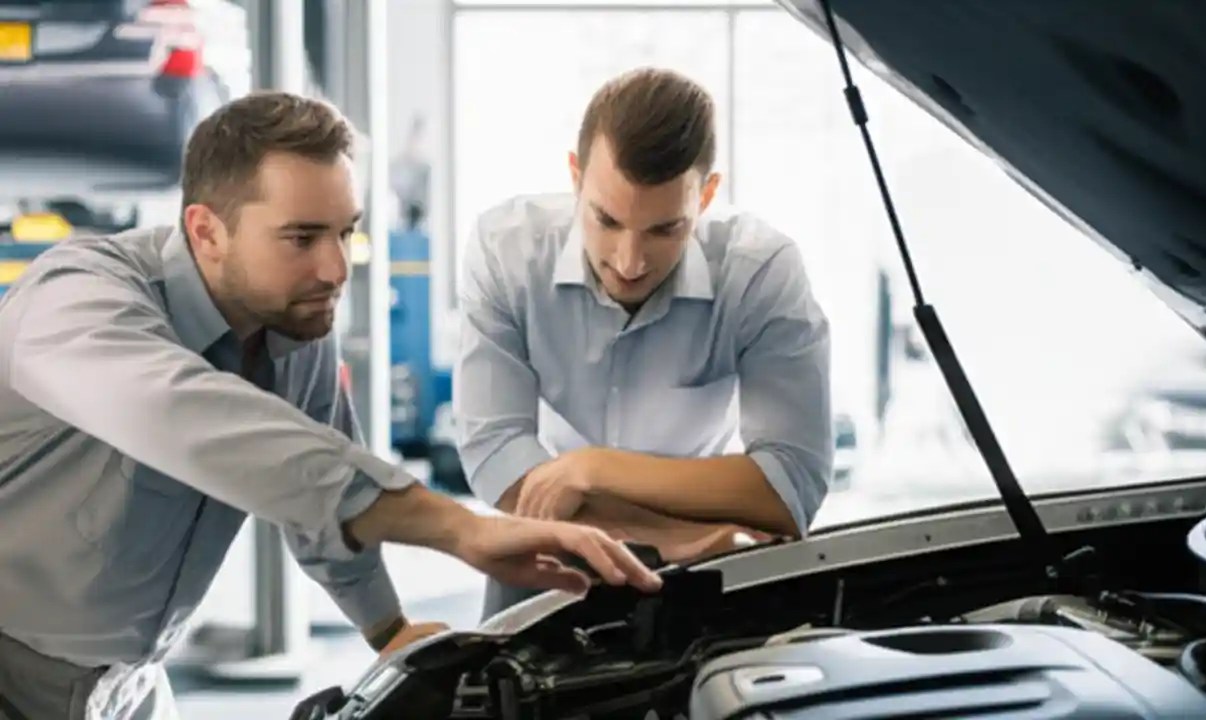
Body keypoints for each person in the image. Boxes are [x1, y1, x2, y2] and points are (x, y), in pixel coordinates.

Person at [0, 91, 661, 720]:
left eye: (347, 233)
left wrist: (388, 629)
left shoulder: (291, 327)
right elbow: (192, 419)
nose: (337, 268)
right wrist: (463, 528)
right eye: (302, 238)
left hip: (126, 683)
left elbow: (322, 497)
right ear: (206, 232)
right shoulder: (77, 300)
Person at [454, 67, 833, 618]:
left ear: (706, 195)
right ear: (575, 176)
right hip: (559, 547)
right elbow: (495, 453)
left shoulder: (761, 272)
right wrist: (665, 532)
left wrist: (593, 468)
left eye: (665, 230)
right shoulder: (506, 250)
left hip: (702, 571)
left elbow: (791, 486)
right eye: (605, 219)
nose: (629, 261)